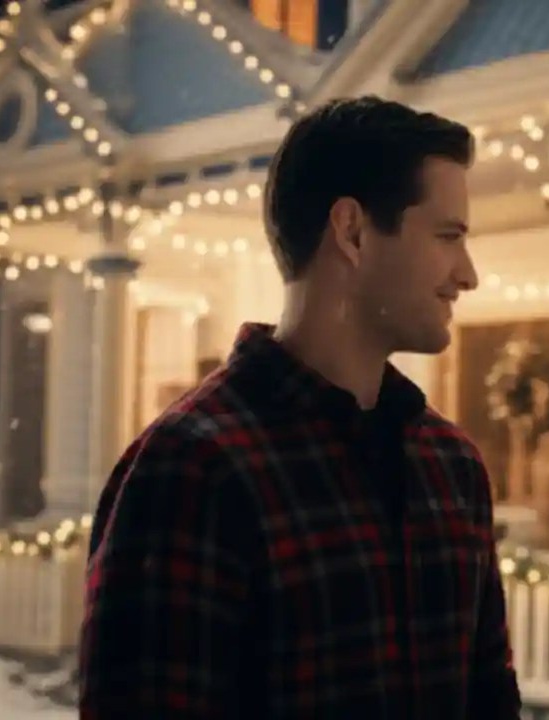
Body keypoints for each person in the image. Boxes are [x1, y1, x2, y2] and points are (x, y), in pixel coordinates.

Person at [78, 96, 521, 719]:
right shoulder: (194, 468)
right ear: (353, 232)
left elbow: (489, 698)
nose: (467, 274)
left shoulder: (451, 466)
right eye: (448, 236)